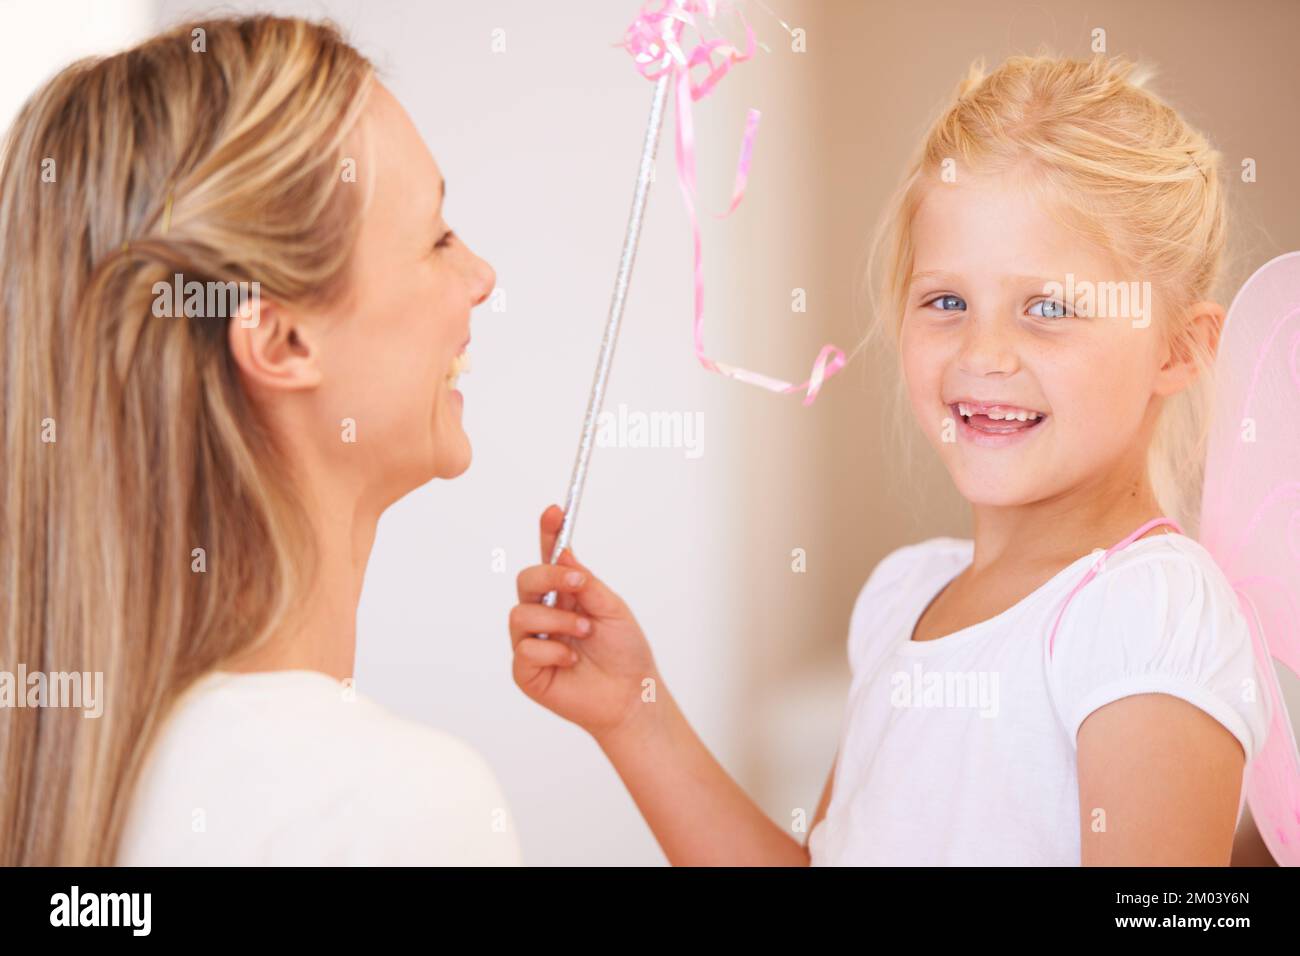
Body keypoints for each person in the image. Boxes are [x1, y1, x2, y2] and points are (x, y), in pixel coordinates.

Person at [508, 53, 1272, 865]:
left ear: (1179, 349)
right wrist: (634, 713)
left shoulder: (1147, 614)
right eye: (947, 301)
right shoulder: (903, 597)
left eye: (1049, 307)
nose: (982, 353)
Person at [0, 15, 517, 865]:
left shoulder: (65, 775)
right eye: (436, 238)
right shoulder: (395, 805)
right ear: (280, 341)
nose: (482, 277)